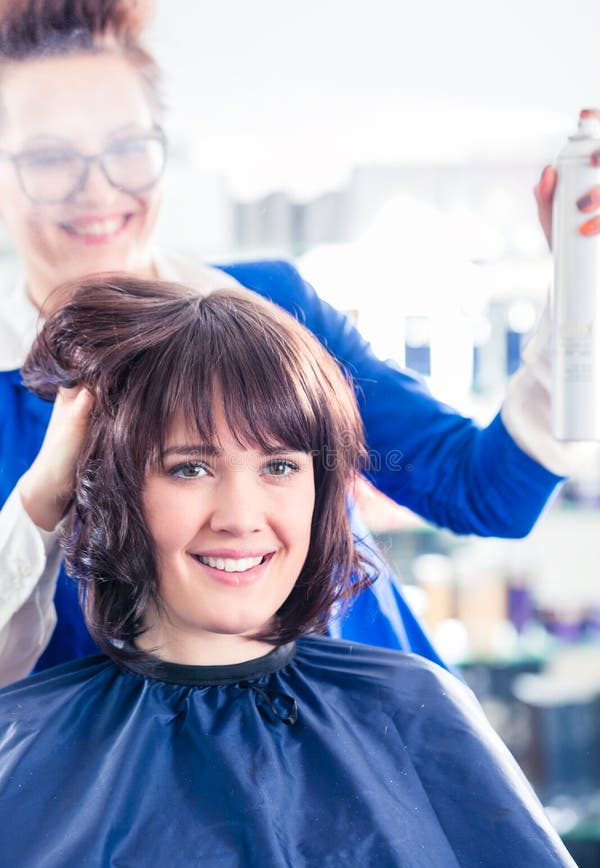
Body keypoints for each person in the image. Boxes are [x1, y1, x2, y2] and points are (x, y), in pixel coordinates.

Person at [0, 0, 585, 684]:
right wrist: (41, 499)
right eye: (48, 158)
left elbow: (484, 491)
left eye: (127, 148)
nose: (96, 189)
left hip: (369, 746)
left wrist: (583, 285)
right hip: (128, 782)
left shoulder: (276, 309)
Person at [0, 275, 593, 868]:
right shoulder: (29, 739)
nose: (240, 516)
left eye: (280, 465)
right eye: (191, 467)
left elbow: (489, 488)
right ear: (112, 488)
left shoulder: (414, 708)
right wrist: (44, 492)